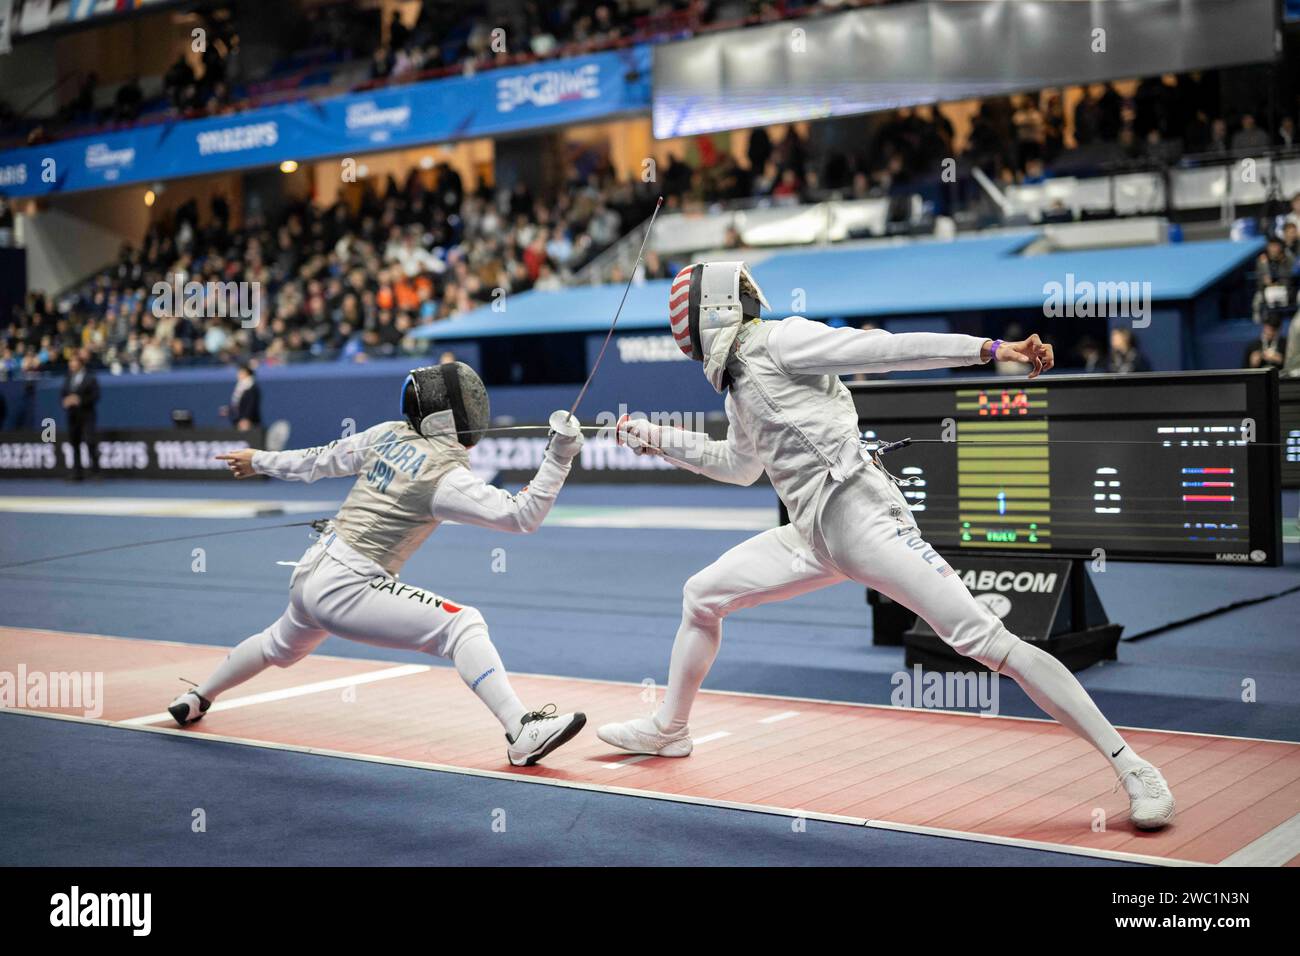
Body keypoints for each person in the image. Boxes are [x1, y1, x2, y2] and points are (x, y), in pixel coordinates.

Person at [597, 261, 1176, 830]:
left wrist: (991, 349)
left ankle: (1134, 768)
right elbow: (740, 465)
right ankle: (671, 729)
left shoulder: (782, 340)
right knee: (702, 595)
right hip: (812, 536)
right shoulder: (738, 386)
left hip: (865, 519)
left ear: (704, 312)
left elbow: (885, 351)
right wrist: (656, 438)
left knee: (986, 641)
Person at [168, 363, 588, 767]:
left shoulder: (386, 435)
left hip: (311, 571)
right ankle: (520, 732)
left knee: (276, 645)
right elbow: (522, 516)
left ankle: (198, 698)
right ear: (452, 415)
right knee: (463, 625)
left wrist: (258, 459)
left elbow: (316, 460)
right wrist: (560, 455)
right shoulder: (445, 477)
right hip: (347, 587)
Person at [60, 351, 101, 481]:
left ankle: (95, 472)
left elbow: (95, 396)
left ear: (81, 364)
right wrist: (66, 401)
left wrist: (79, 399)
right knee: (74, 443)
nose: (71, 364)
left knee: (90, 442)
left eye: (73, 361)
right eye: (70, 362)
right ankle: (77, 473)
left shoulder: (90, 378)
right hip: (72, 416)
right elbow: (62, 395)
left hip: (87, 415)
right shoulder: (68, 378)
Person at [220, 362, 261, 430]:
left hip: (248, 422)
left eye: (241, 373)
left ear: (247, 374)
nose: (238, 374)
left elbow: (251, 405)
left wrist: (245, 419)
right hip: (238, 419)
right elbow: (237, 403)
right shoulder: (239, 386)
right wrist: (229, 410)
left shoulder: (252, 387)